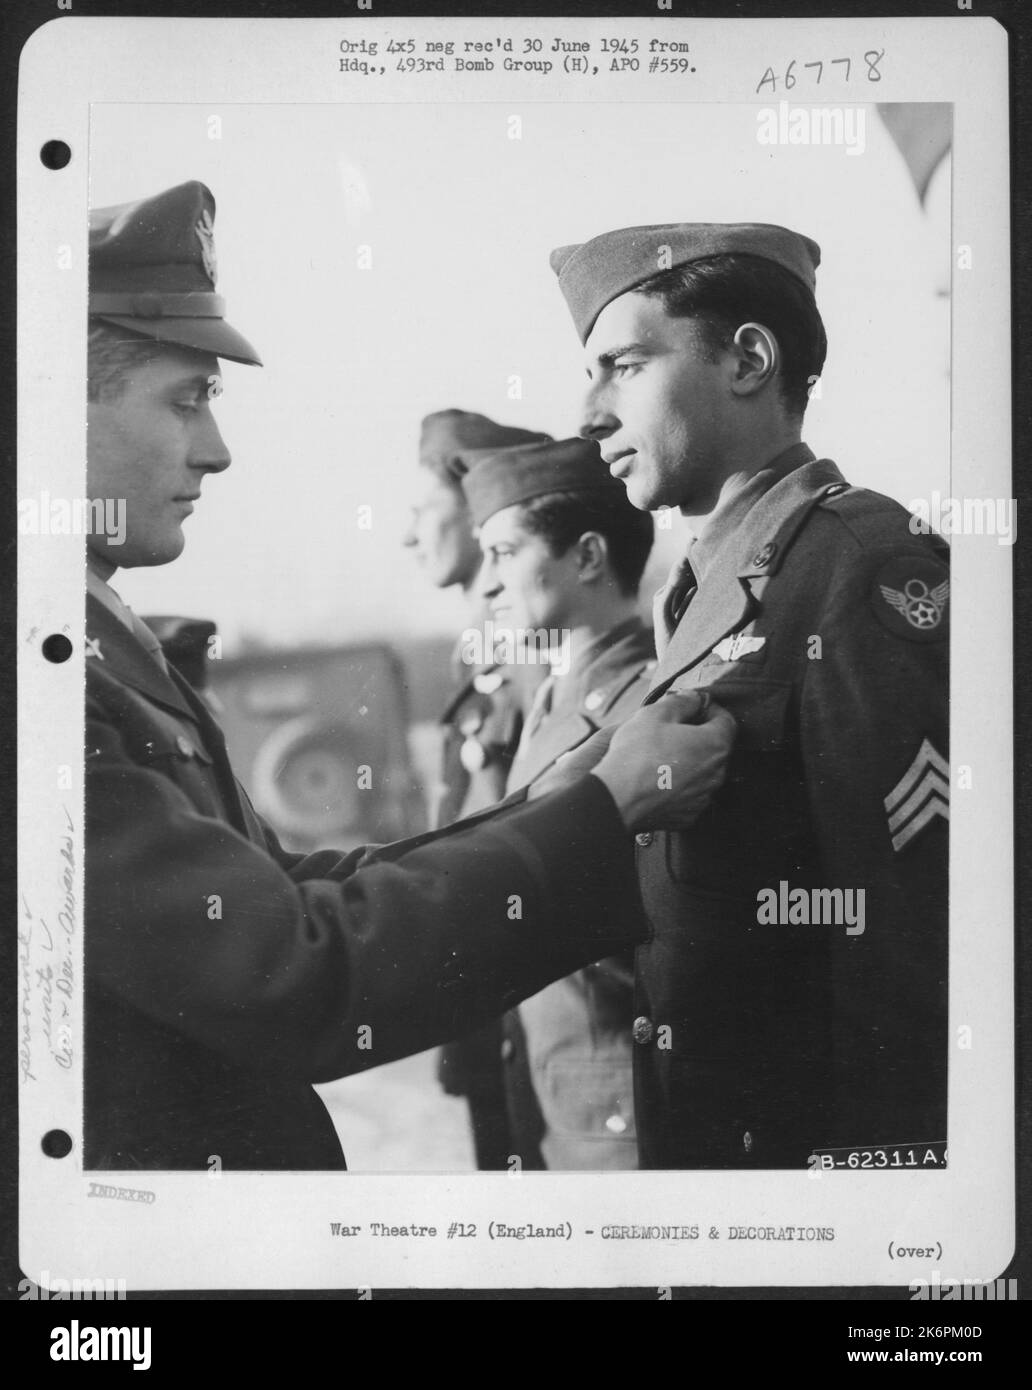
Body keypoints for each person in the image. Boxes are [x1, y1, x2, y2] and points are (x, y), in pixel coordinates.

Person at [82, 181, 737, 1170]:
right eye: (186, 400)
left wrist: (569, 803)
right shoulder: (55, 675)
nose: (215, 451)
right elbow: (298, 965)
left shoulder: (105, 642)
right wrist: (598, 809)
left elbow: (287, 887)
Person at [549, 221, 949, 1169]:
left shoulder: (859, 567)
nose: (588, 414)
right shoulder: (700, 590)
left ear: (750, 359)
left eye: (624, 366)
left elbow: (912, 933)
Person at [461, 435, 657, 1170]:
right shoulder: (551, 700)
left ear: (587, 557)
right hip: (561, 1087)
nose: (486, 585)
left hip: (620, 1105)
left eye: (504, 554)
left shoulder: (643, 708)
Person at [403, 408, 552, 1170]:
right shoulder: (484, 646)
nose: (407, 536)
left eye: (422, 514)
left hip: (527, 999)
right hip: (483, 986)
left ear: (478, 511)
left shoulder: (534, 651)